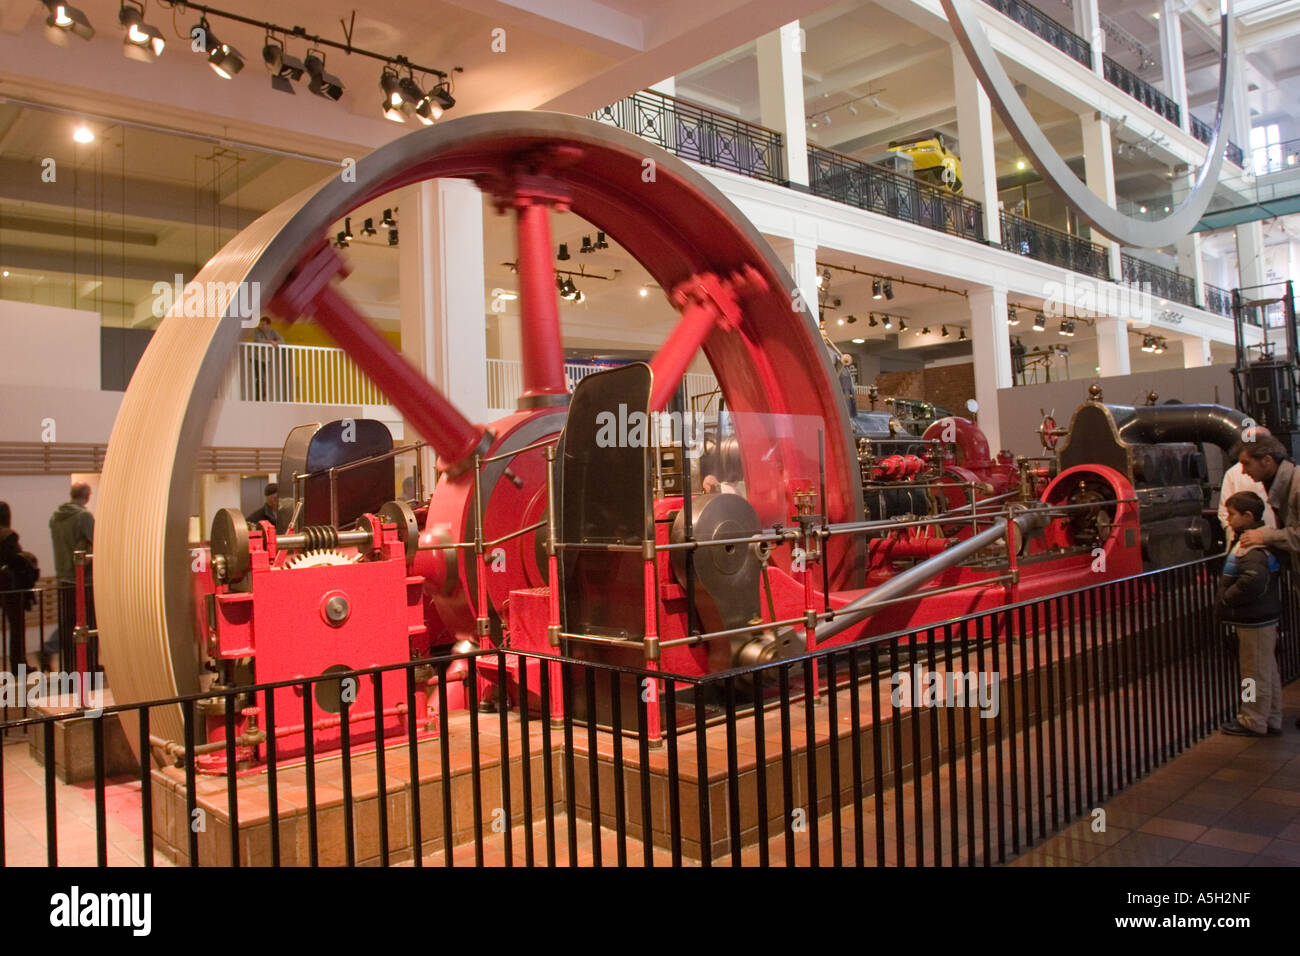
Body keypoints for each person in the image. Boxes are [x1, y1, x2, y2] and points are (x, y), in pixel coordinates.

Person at [1217, 491, 1283, 736]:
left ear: (1247, 516)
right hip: (1262, 617)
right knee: (1266, 669)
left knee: (1251, 674)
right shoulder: (1260, 541)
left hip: (1252, 618)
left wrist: (1227, 597)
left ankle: (1252, 718)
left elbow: (1253, 580)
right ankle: (1272, 715)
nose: (1227, 518)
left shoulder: (1249, 546)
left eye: (1232, 514)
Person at [49, 483, 96, 671]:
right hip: (82, 578)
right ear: (87, 496)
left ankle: (67, 665)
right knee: (87, 622)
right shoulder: (83, 517)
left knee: (68, 620)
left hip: (62, 575)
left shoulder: (55, 517)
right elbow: (97, 540)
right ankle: (89, 665)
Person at [1219, 429, 1276, 548]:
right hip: (1245, 541)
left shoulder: (1280, 474)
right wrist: (1239, 535)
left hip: (1274, 536)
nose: (1245, 471)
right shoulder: (1233, 473)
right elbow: (1224, 512)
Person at [0, 502, 30, 671]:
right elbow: (15, 560)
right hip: (10, 587)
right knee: (17, 626)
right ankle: (18, 664)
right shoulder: (8, 536)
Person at [250, 316, 284, 400]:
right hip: (256, 357)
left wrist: (275, 342)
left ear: (268, 325)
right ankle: (260, 397)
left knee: (263, 378)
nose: (261, 326)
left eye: (263, 324)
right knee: (260, 377)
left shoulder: (273, 332)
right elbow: (258, 340)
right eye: (260, 324)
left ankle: (262, 396)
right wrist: (271, 342)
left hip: (265, 359)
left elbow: (282, 341)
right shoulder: (257, 331)